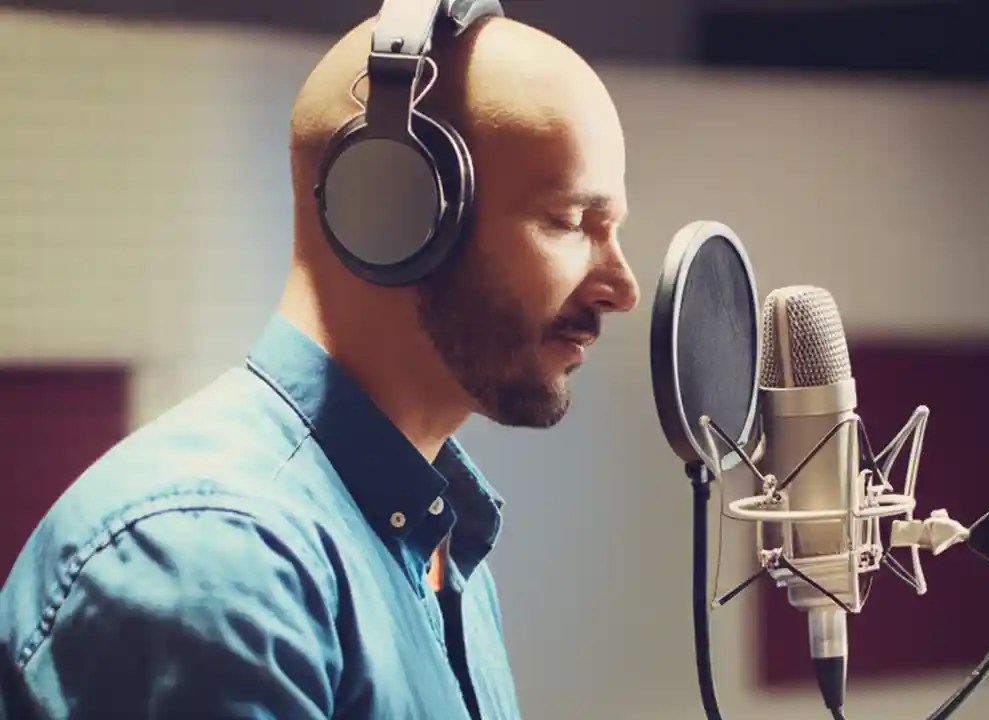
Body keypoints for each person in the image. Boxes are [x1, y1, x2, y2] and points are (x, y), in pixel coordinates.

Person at [0, 7, 638, 719]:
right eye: (571, 222)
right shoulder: (220, 558)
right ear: (391, 210)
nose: (622, 289)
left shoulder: (434, 535)